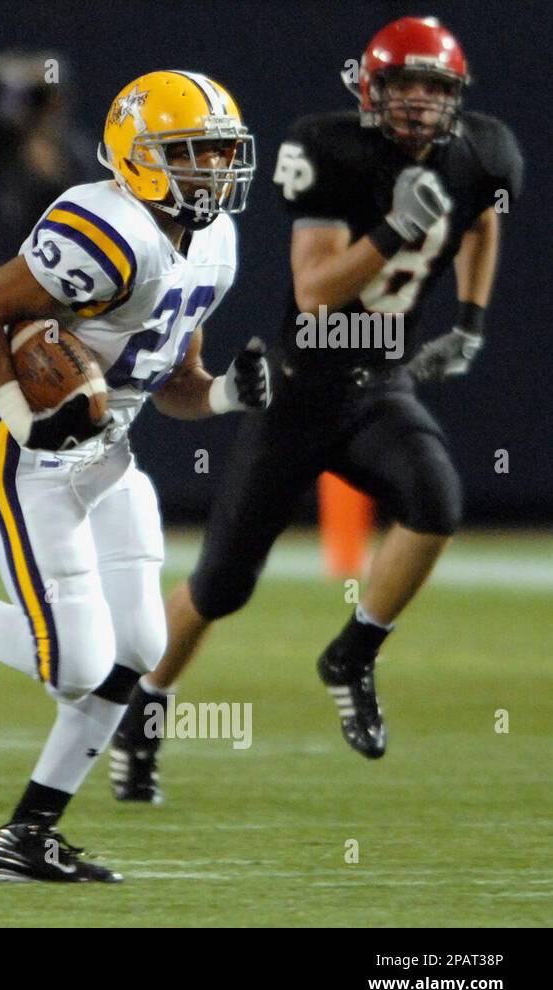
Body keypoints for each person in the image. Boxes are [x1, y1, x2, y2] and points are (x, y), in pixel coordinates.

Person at [0, 71, 269, 883]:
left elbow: (170, 385)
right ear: (139, 158)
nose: (213, 170)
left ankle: (27, 837)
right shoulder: (104, 229)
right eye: (192, 154)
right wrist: (23, 414)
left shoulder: (215, 242)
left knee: (139, 646)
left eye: (220, 152)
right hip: (25, 456)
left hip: (108, 458)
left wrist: (224, 396)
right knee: (72, 664)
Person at [109, 17, 524, 805]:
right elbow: (317, 290)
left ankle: (354, 652)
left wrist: (469, 320)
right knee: (221, 584)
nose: (416, 104)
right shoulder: (328, 149)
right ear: (369, 88)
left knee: (437, 499)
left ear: (456, 99)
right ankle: (141, 713)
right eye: (401, 85)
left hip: (381, 384)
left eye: (433, 89)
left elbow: (481, 216)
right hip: (301, 386)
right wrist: (394, 225)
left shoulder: (485, 150)